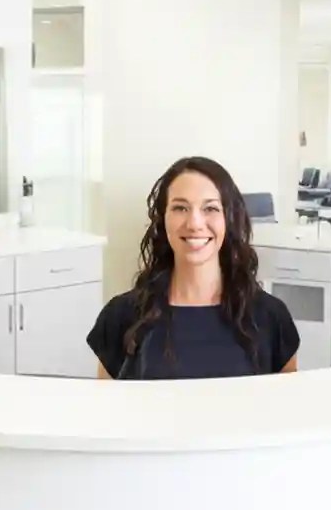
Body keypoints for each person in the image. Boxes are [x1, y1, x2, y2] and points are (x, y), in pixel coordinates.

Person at [87, 156, 300, 380]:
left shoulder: (271, 317)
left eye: (210, 208)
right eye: (180, 208)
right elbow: (107, 411)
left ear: (229, 219)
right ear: (162, 219)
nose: (195, 223)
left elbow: (286, 409)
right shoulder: (121, 315)